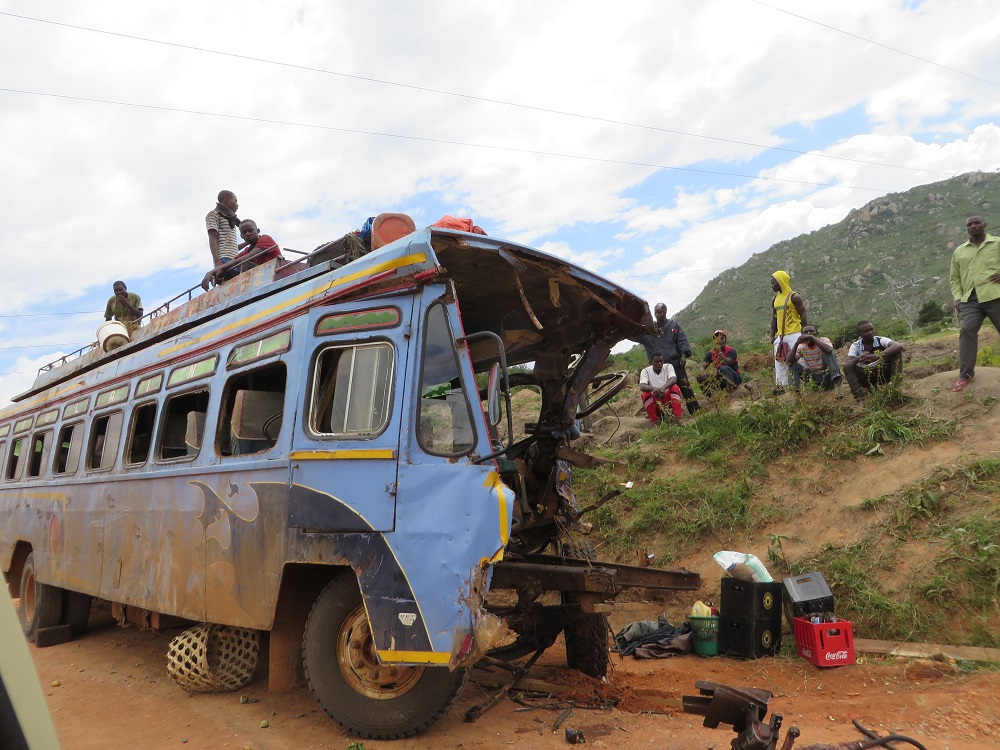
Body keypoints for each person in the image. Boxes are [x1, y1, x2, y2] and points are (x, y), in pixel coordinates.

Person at [949, 215, 1000, 392]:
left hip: (996, 295)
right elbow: (954, 278)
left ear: (984, 225)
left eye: (976, 223)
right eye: (969, 224)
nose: (973, 226)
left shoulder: (997, 243)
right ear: (967, 229)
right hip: (970, 299)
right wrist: (957, 296)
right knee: (967, 331)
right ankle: (966, 375)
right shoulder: (960, 251)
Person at [631, 303, 699, 413]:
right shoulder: (650, 329)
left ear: (665, 312)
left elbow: (681, 340)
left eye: (660, 312)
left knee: (684, 385)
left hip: (674, 362)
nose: (657, 315)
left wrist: (683, 355)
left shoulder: (673, 325)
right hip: (658, 367)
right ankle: (662, 412)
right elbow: (635, 334)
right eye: (656, 312)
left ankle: (694, 408)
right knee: (659, 390)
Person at [203, 219, 283, 286]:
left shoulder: (265, 239)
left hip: (274, 274)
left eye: (250, 230)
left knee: (243, 264)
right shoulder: (247, 250)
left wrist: (223, 269)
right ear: (241, 236)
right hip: (261, 277)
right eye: (244, 233)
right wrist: (211, 273)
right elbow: (232, 261)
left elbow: (250, 256)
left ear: (258, 231)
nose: (248, 234)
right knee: (228, 269)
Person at [844, 321, 904, 401]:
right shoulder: (855, 345)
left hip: (883, 373)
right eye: (866, 331)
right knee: (848, 366)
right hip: (866, 377)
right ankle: (860, 399)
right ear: (859, 334)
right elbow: (848, 363)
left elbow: (898, 345)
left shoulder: (880, 340)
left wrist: (877, 356)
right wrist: (859, 358)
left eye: (871, 330)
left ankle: (896, 385)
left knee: (896, 352)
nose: (870, 332)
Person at [769, 270, 808, 390]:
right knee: (779, 362)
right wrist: (772, 335)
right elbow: (774, 319)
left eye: (774, 282)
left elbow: (803, 315)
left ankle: (808, 382)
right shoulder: (775, 299)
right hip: (781, 336)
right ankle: (782, 387)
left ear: (781, 281)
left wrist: (804, 334)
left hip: (795, 334)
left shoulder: (794, 297)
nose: (772, 285)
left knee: (800, 359)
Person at [788, 324, 842, 392]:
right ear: (802, 335)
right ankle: (796, 394)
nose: (808, 334)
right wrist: (796, 344)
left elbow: (829, 350)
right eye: (806, 332)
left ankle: (837, 384)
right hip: (814, 379)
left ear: (817, 333)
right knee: (792, 366)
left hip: (828, 376)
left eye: (811, 331)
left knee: (829, 352)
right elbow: (789, 362)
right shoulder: (802, 346)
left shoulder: (823, 340)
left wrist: (812, 337)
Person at [204, 190, 241, 286]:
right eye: (235, 201)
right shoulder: (214, 214)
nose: (237, 205)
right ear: (226, 200)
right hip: (224, 259)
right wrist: (217, 261)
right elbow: (213, 237)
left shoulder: (230, 218)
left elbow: (230, 243)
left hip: (234, 258)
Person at [639, 352, 683, 425]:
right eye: (656, 362)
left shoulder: (668, 366)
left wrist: (663, 388)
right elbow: (642, 386)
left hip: (669, 403)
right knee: (644, 394)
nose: (659, 364)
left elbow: (673, 379)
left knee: (674, 388)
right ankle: (655, 421)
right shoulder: (645, 371)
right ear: (651, 362)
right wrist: (654, 389)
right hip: (656, 404)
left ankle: (677, 418)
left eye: (661, 361)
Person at [697, 330, 742, 394]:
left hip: (734, 379)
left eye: (722, 338)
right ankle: (710, 397)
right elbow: (702, 365)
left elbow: (726, 362)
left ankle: (731, 394)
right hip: (721, 380)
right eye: (717, 339)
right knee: (700, 377)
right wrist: (703, 372)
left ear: (725, 340)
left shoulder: (732, 351)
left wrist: (719, 351)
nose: (719, 341)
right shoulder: (711, 353)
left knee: (724, 368)